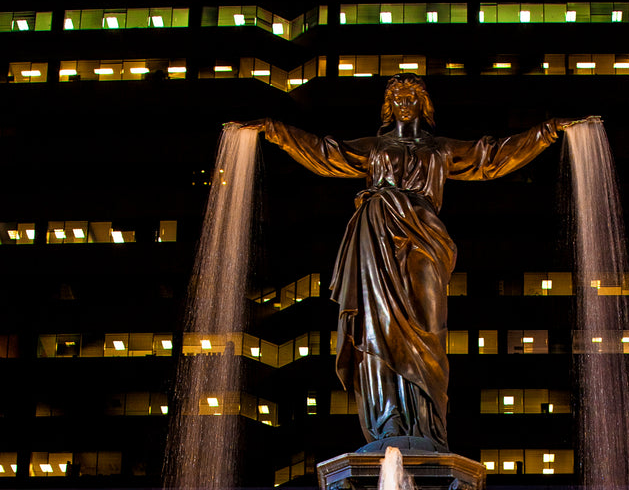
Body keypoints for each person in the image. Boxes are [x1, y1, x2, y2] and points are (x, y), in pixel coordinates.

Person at [243, 75, 596, 451]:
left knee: (429, 326)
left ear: (424, 104)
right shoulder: (375, 147)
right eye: (397, 95)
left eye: (412, 95)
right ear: (388, 105)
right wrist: (274, 130)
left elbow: (490, 156)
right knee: (377, 326)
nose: (404, 101)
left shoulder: (439, 148)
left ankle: (427, 424)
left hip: (425, 237)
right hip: (377, 234)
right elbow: (325, 152)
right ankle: (389, 421)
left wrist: (547, 131)